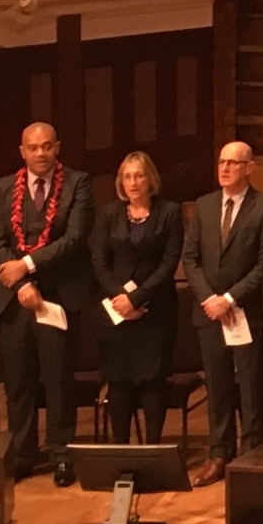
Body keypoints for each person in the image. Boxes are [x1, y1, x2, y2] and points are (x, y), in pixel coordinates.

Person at [0, 119, 95, 481]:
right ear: (22, 151)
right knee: (18, 380)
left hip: (59, 295)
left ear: (57, 147)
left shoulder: (78, 183)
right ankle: (22, 452)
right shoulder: (3, 188)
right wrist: (19, 282)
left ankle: (63, 451)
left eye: (47, 146)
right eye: (33, 148)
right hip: (14, 298)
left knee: (58, 377)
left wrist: (27, 265)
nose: (40, 153)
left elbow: (76, 237)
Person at [179, 141, 263, 483]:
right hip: (210, 312)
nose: (225, 169)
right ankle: (219, 455)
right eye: (222, 162)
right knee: (219, 386)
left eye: (233, 163)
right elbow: (191, 258)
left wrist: (230, 297)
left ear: (249, 168)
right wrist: (210, 298)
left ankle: (253, 456)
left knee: (251, 387)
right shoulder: (205, 206)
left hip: (245, 311)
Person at [92, 151, 180, 446]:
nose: (133, 182)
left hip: (156, 310)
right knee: (119, 382)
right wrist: (121, 299)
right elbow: (99, 262)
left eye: (139, 175)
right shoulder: (109, 214)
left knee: (152, 381)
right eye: (127, 176)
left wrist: (138, 298)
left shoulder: (169, 212)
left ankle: (153, 448)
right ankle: (121, 450)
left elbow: (169, 263)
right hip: (116, 312)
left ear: (150, 179)